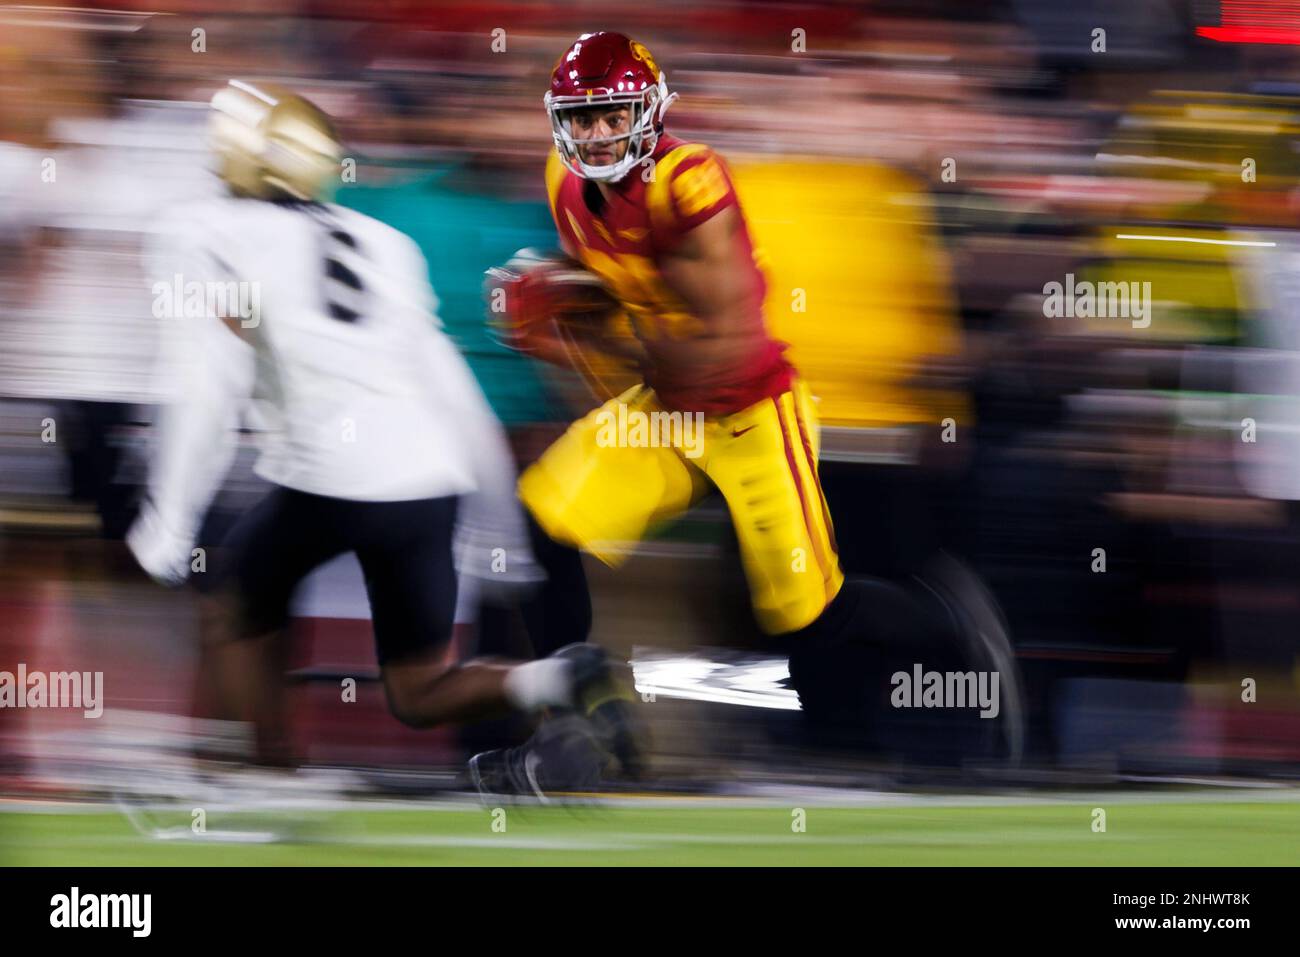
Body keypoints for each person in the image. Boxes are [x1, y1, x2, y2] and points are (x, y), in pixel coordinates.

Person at [485, 33, 1023, 772]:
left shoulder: (691, 183)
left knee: (806, 619)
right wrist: (556, 307)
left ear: (648, 112)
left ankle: (949, 632)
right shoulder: (563, 181)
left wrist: (584, 333)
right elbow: (617, 324)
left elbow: (723, 352)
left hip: (748, 410)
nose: (598, 134)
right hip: (667, 403)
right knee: (544, 517)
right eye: (583, 118)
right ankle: (582, 714)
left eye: (613, 116)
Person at [127, 80, 638, 785]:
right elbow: (448, 381)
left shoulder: (201, 232)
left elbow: (202, 382)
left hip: (326, 471)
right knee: (420, 691)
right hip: (426, 477)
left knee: (235, 608)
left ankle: (271, 781)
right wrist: (500, 530)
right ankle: (558, 677)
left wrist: (169, 516)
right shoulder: (384, 242)